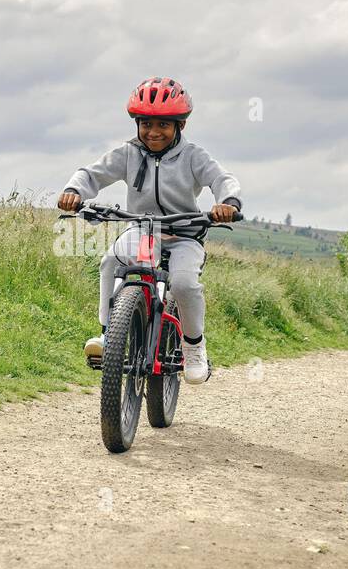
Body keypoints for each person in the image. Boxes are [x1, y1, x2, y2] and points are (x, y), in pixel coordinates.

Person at [58, 77, 242, 384]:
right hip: (143, 231)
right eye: (145, 124)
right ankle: (108, 334)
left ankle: (194, 348)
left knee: (183, 285)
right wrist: (74, 191)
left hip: (184, 235)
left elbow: (221, 178)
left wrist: (228, 202)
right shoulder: (128, 153)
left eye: (163, 125)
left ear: (180, 126)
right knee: (111, 262)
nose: (153, 132)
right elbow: (92, 173)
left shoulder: (193, 156)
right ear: (137, 124)